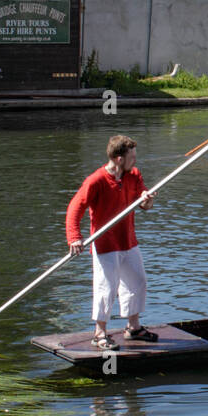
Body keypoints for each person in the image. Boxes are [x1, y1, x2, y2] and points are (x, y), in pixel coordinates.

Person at [66, 134, 157, 351]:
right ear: (118, 159)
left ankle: (133, 328)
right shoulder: (95, 181)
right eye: (131, 157)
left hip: (128, 241)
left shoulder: (133, 175)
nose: (135, 160)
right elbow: (74, 208)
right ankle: (99, 334)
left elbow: (144, 206)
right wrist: (74, 237)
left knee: (137, 282)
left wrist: (148, 200)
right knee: (106, 288)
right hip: (105, 244)